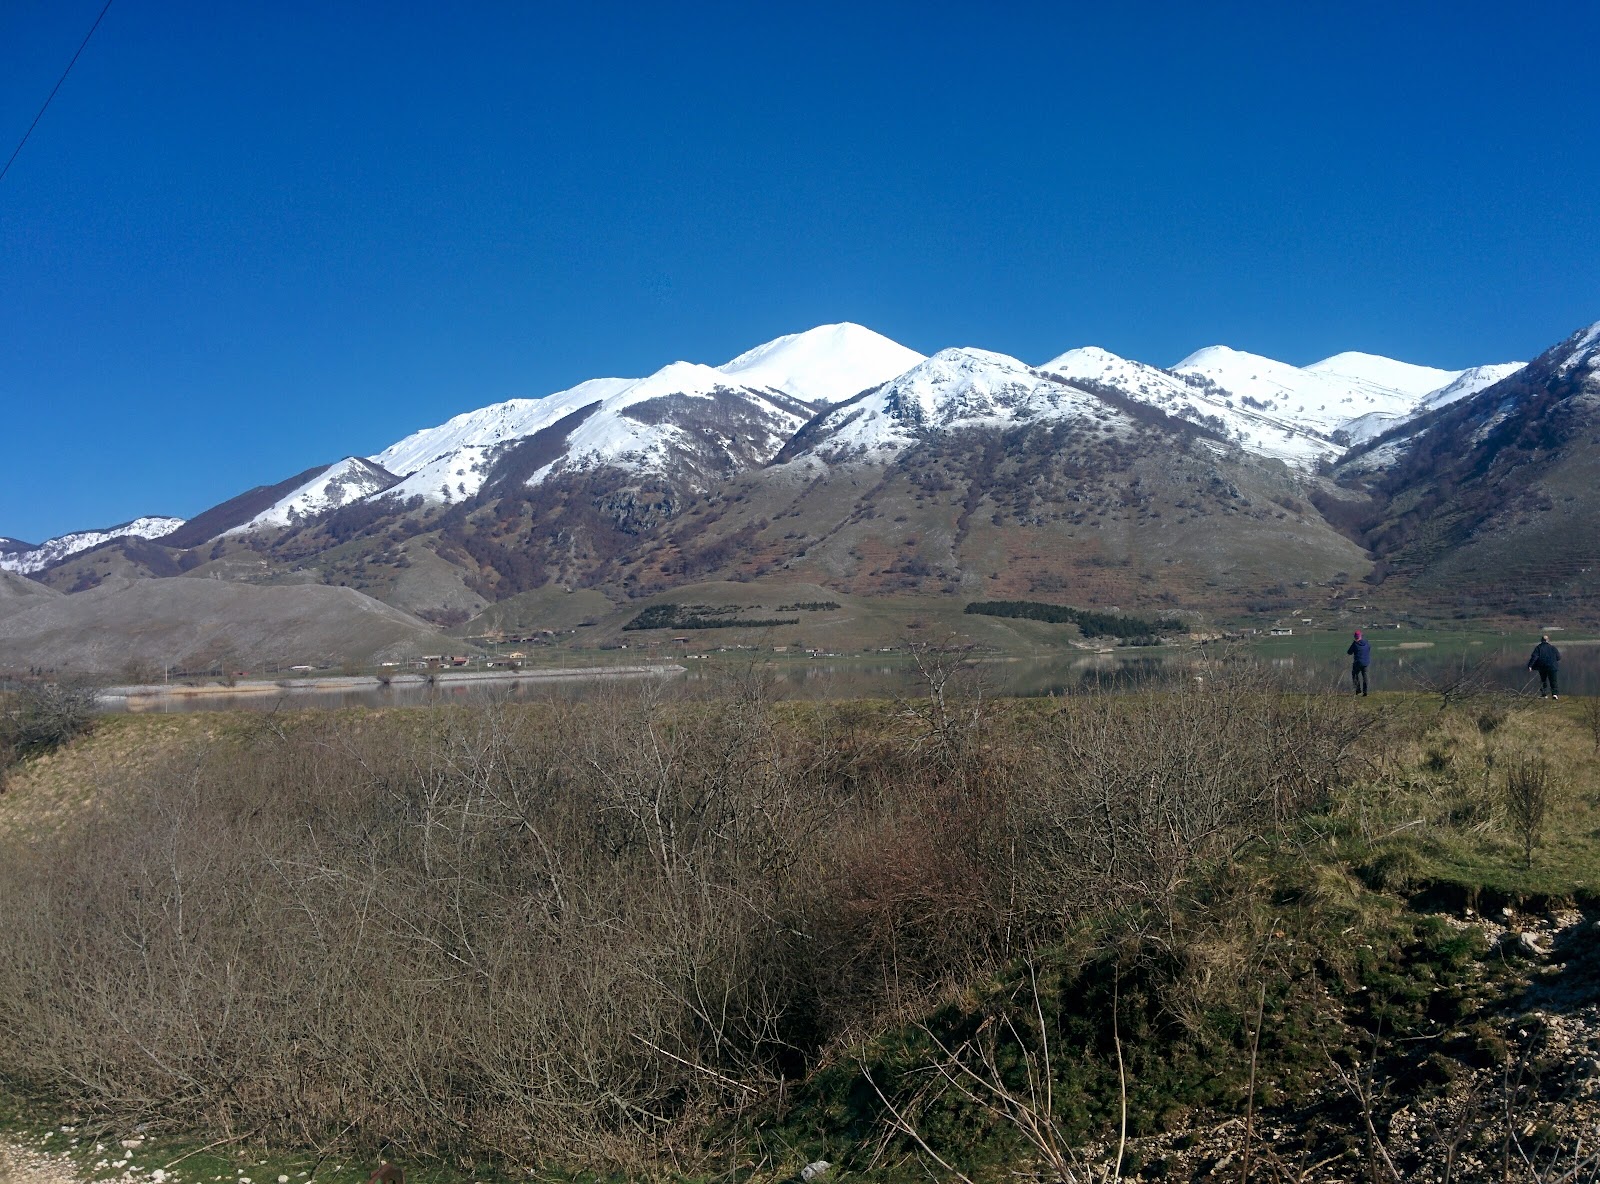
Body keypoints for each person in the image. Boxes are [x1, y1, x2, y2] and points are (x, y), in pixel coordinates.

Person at [1528, 634, 1562, 699]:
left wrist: (1530, 665)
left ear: (1541, 640)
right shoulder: (1553, 648)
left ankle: (1544, 694)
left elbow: (1534, 657)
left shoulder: (1538, 648)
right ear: (1548, 640)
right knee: (1553, 681)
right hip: (1552, 667)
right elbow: (1558, 657)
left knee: (1543, 680)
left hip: (1542, 667)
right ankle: (1554, 694)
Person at [1347, 629, 1370, 696]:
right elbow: (1369, 649)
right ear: (1361, 636)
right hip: (1366, 662)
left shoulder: (1355, 644)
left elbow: (1349, 652)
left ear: (1355, 637)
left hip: (1357, 662)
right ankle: (1365, 691)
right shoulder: (1367, 643)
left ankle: (1358, 690)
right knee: (1365, 676)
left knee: (1355, 674)